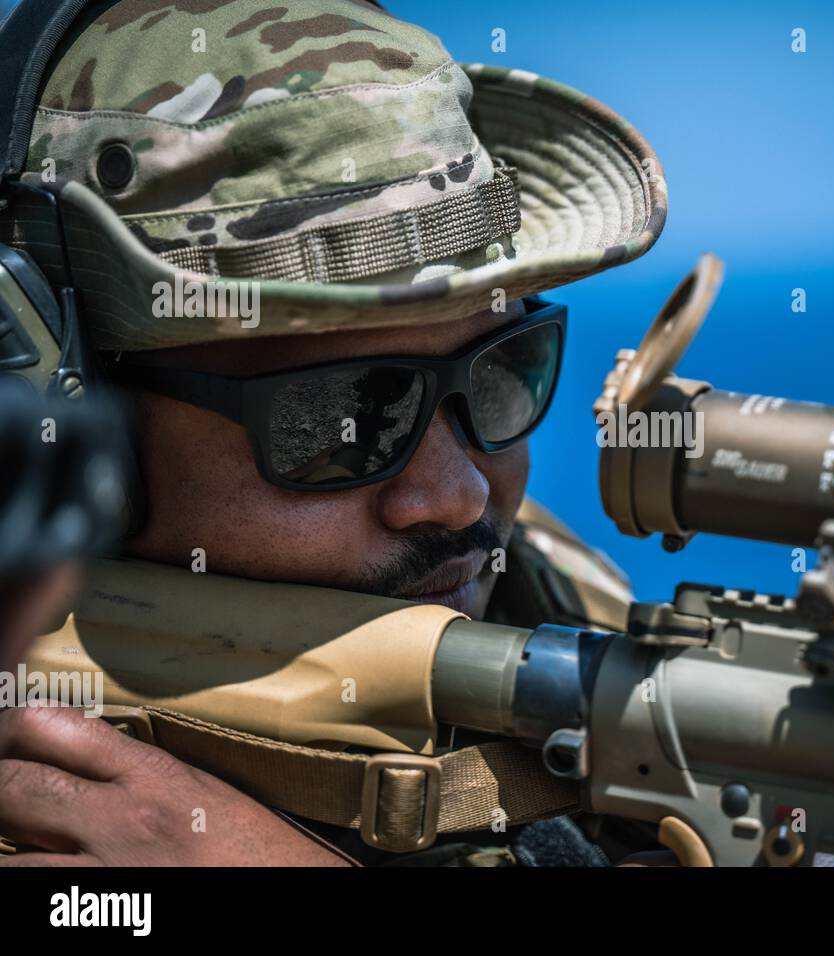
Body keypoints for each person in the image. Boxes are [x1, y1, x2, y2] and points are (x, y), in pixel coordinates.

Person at [0, 0, 667, 867]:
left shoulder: (552, 600)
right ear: (77, 426)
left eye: (502, 374)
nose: (457, 494)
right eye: (341, 418)